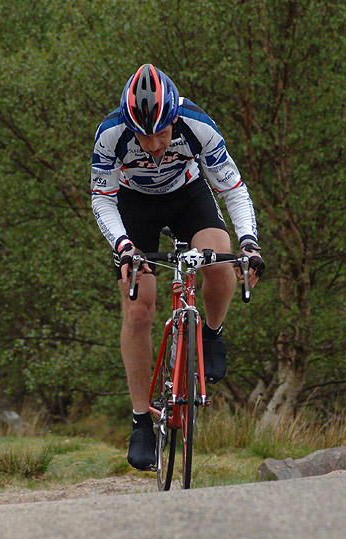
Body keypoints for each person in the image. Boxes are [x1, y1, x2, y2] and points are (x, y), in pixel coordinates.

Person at [91, 64, 264, 471]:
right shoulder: (110, 134)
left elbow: (233, 188)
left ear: (174, 120)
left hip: (188, 196)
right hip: (134, 206)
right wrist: (124, 246)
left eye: (162, 134)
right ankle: (141, 422)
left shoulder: (197, 125)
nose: (153, 145)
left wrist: (250, 243)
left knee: (220, 262)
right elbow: (102, 198)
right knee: (138, 309)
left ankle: (212, 334)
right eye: (143, 136)